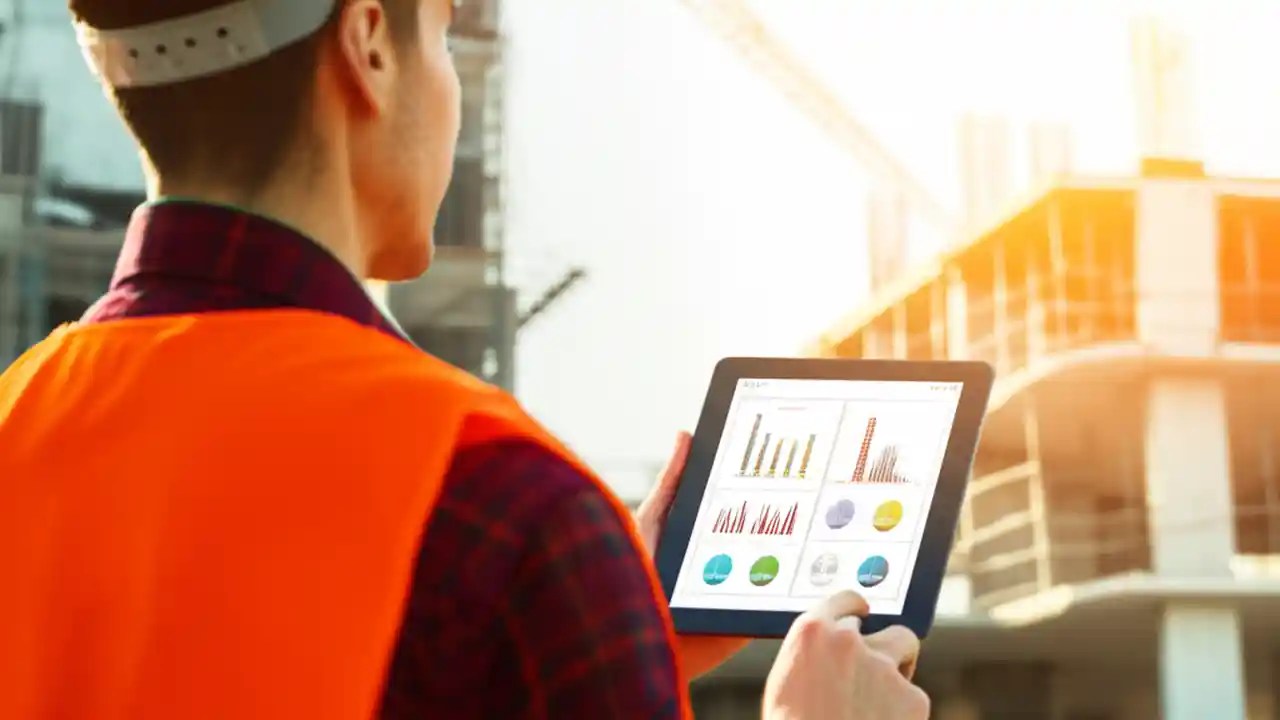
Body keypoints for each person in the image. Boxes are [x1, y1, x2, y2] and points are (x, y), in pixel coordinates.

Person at [0, 1, 930, 718]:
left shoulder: (18, 420)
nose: (449, 95)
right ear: (369, 42)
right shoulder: (504, 503)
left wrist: (609, 618)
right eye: (443, 34)